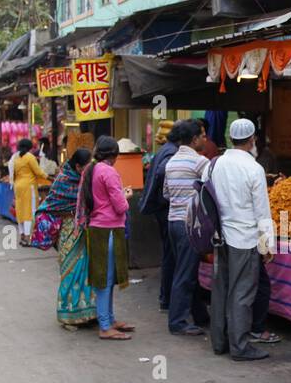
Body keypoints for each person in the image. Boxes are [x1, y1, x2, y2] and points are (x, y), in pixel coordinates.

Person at [208, 118, 274, 362]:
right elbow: (262, 212)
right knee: (242, 292)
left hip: (220, 235)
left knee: (221, 288)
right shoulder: (254, 169)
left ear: (230, 139)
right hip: (244, 238)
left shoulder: (215, 164)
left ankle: (219, 342)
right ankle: (240, 346)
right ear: (252, 139)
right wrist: (267, 244)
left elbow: (206, 195)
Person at [33, 148, 98, 328]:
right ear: (77, 166)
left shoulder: (87, 180)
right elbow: (52, 204)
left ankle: (88, 313)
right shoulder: (63, 181)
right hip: (69, 229)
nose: (88, 171)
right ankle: (68, 316)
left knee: (86, 270)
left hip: (84, 230)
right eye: (85, 168)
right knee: (70, 270)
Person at [77, 135, 133, 340]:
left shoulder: (90, 170)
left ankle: (109, 319)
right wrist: (126, 196)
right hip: (109, 229)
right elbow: (120, 206)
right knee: (105, 280)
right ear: (114, 155)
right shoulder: (109, 172)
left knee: (105, 279)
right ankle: (105, 325)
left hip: (96, 228)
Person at [163, 120, 211, 336]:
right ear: (194, 140)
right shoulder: (199, 162)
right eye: (202, 135)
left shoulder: (172, 161)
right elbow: (212, 191)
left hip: (173, 222)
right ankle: (178, 322)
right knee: (185, 273)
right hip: (189, 224)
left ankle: (200, 315)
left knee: (185, 270)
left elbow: (166, 194)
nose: (205, 139)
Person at [141, 122, 181, 313]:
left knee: (169, 254)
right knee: (170, 255)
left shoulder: (166, 149)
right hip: (165, 209)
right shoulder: (171, 153)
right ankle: (167, 299)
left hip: (161, 208)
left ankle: (166, 298)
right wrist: (169, 194)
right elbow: (162, 172)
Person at [9, 138, 50, 244]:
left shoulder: (15, 157)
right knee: (29, 211)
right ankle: (28, 237)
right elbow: (38, 172)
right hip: (28, 186)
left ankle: (22, 235)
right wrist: (49, 177)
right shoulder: (30, 157)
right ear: (29, 147)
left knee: (20, 210)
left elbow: (11, 172)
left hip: (18, 186)